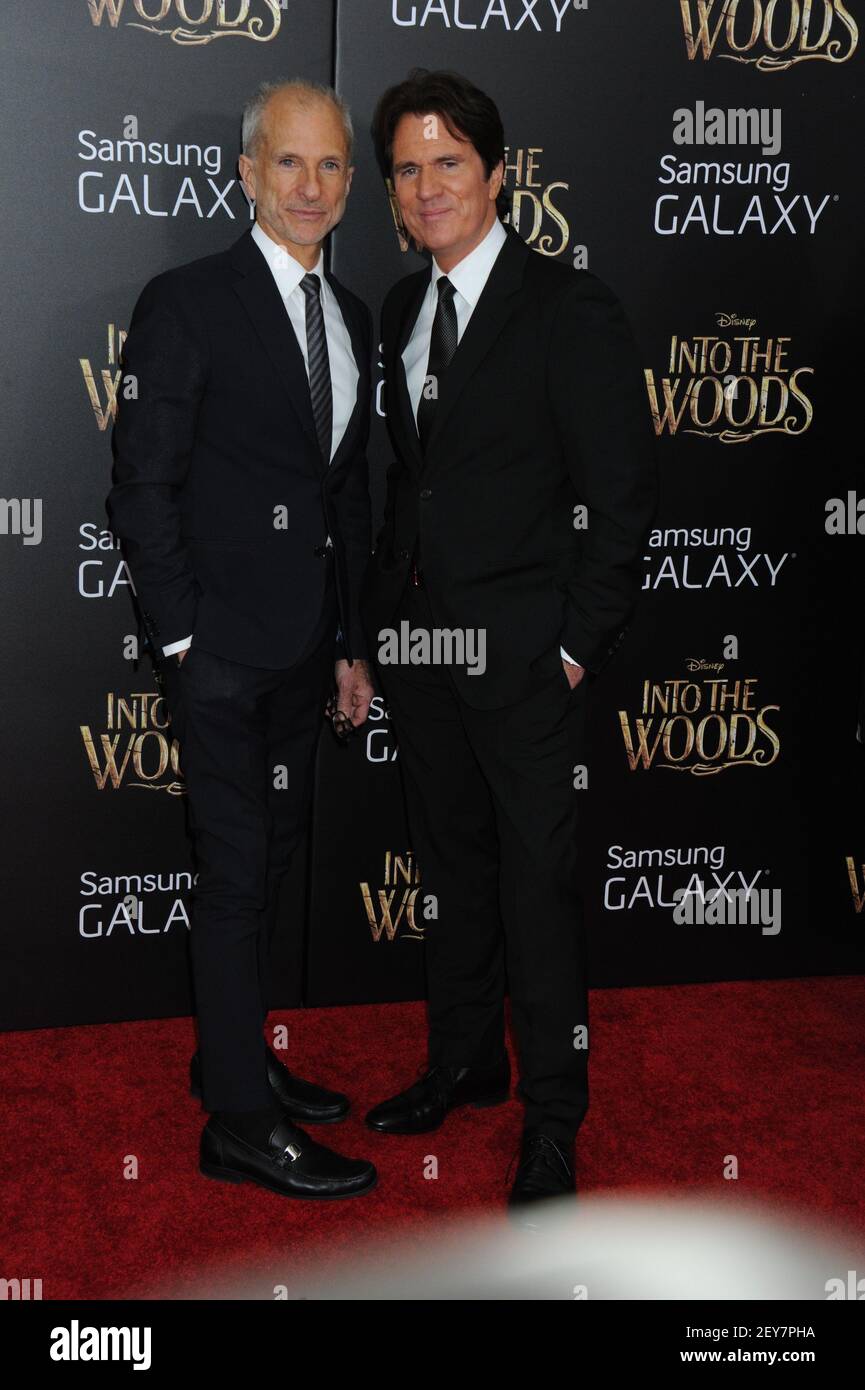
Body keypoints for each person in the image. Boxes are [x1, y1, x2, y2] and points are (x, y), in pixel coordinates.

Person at [362, 69, 659, 1216]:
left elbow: (621, 493)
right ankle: (463, 1060)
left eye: (448, 163)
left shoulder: (566, 308)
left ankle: (552, 1117)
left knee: (536, 888)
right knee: (451, 871)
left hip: (527, 656)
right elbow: (412, 488)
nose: (427, 186)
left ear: (496, 174)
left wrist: (576, 645)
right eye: (406, 168)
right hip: (425, 653)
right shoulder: (398, 310)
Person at [107, 79, 376, 1201]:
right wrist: (182, 645)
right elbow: (140, 488)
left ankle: (235, 1057)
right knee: (230, 883)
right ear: (248, 173)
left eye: (329, 168)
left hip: (308, 651)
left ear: (349, 185)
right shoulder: (187, 301)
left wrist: (351, 642)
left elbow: (343, 498)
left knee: (265, 874)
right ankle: (237, 1125)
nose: (308, 187)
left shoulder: (353, 316)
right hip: (218, 658)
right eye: (288, 165)